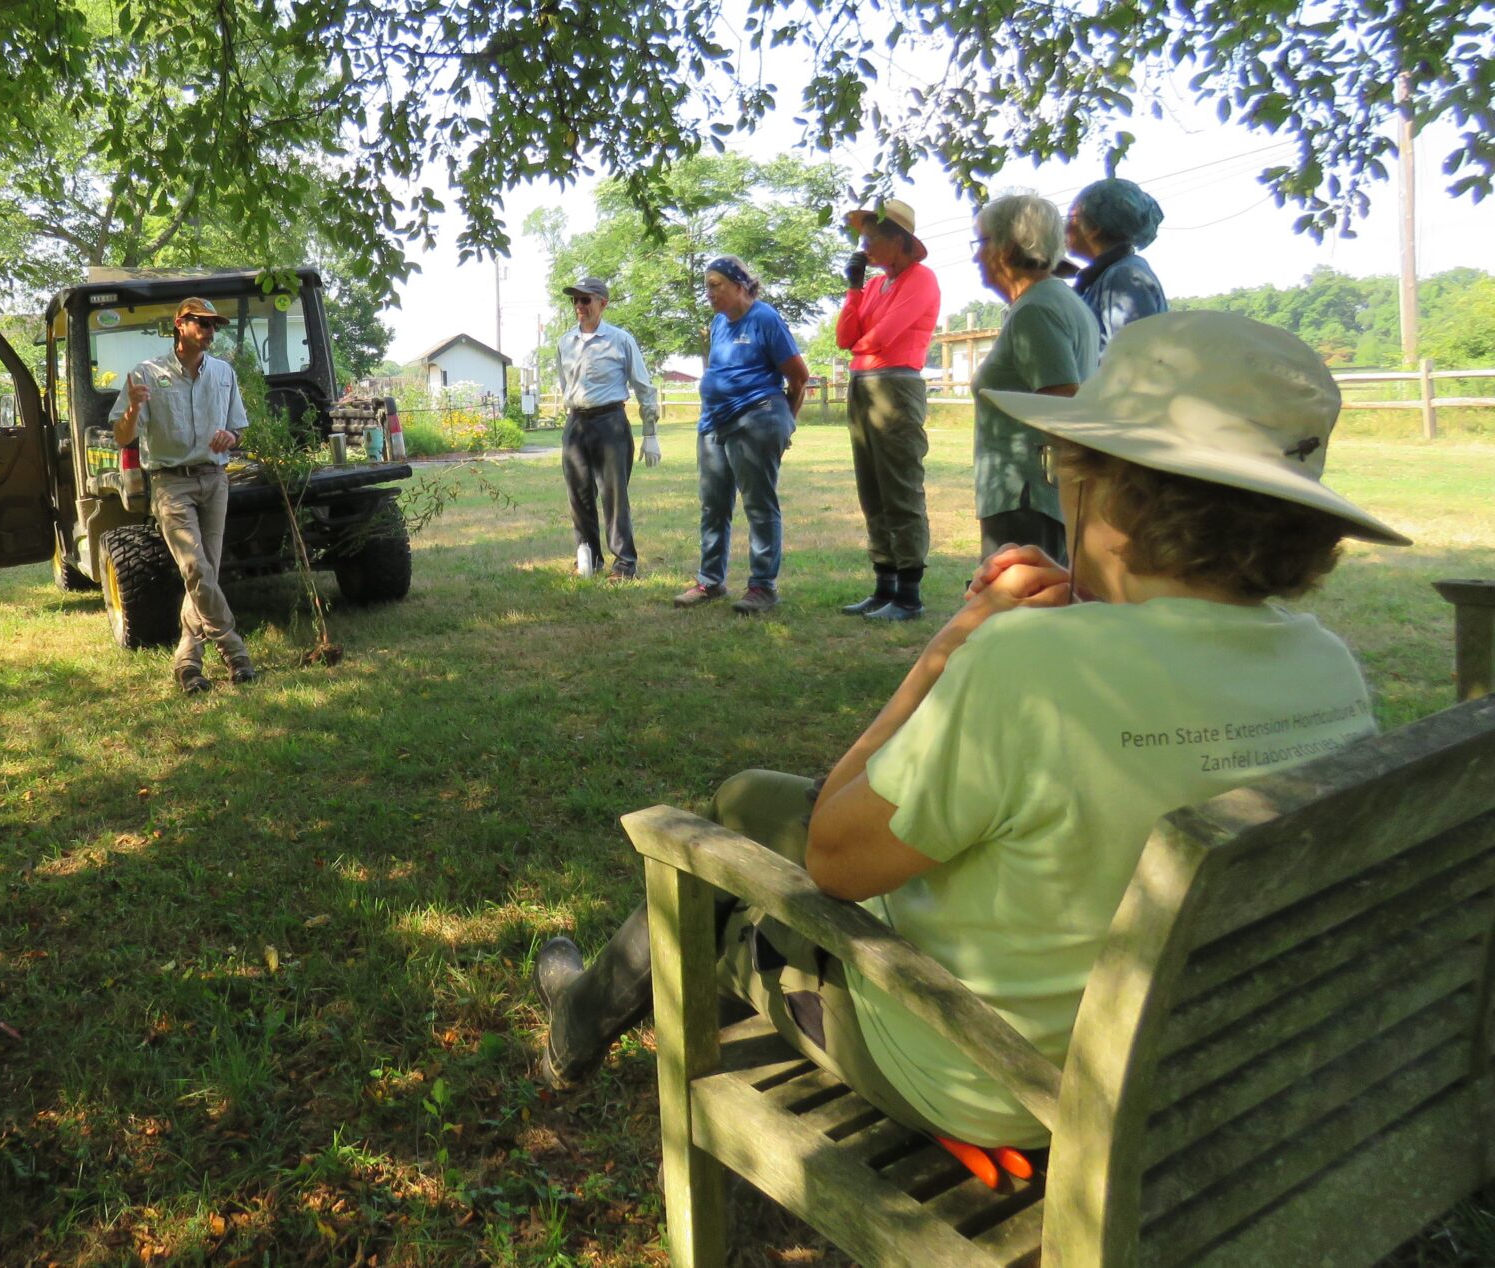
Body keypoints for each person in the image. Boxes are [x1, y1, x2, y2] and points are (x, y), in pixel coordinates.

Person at [535, 311, 1404, 1152]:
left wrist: (953, 646)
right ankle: (589, 1012)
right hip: (1195, 1066)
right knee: (748, 799)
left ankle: (580, 1026)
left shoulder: (1034, 665)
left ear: (1117, 493)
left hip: (993, 1084)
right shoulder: (1328, 669)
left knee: (714, 874)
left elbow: (833, 856)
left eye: (1068, 464)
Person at [114, 298, 257, 695]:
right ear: (180, 324)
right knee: (195, 567)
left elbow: (238, 428)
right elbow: (122, 436)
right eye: (202, 323)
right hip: (171, 483)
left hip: (215, 480)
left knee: (205, 572)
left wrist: (230, 436)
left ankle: (188, 662)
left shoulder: (224, 373)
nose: (210, 331)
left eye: (214, 325)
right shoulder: (146, 373)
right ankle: (234, 650)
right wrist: (132, 409)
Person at [675, 257, 810, 615]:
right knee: (713, 505)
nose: (708, 293)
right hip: (714, 423)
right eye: (706, 286)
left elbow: (799, 377)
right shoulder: (719, 322)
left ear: (739, 285)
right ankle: (710, 582)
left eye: (715, 285)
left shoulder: (765, 319)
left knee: (758, 504)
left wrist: (786, 422)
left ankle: (763, 586)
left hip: (755, 419)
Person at [970, 193, 1099, 563]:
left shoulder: (1035, 310)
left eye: (982, 243)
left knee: (1018, 593)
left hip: (1026, 496)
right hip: (1038, 493)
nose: (977, 257)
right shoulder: (1056, 300)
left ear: (1009, 248)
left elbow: (1062, 401)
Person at [835, 199, 942, 621]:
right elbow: (846, 337)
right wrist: (854, 289)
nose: (863, 247)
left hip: (895, 387)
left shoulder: (922, 279)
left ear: (898, 241)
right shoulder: (876, 285)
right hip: (863, 386)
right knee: (872, 491)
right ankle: (884, 586)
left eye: (871, 238)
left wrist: (860, 349)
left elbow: (881, 338)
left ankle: (909, 595)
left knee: (900, 489)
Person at [556, 277, 661, 581]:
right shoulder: (565, 343)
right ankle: (588, 559)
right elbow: (565, 385)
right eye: (575, 300)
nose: (579, 305)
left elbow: (643, 387)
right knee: (579, 496)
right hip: (576, 423)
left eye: (585, 299)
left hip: (610, 423)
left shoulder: (621, 340)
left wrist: (650, 434)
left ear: (603, 303)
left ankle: (625, 564)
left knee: (614, 496)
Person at [1065, 178, 1169, 352]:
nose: (1065, 227)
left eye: (1071, 218)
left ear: (1094, 227)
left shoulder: (1125, 277)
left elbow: (1132, 357)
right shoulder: (1112, 274)